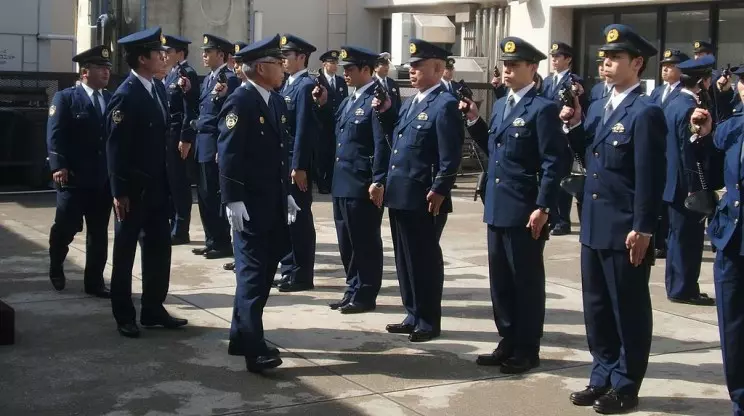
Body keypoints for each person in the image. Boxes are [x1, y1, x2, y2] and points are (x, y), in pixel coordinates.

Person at [561, 24, 666, 413]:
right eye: (604, 58)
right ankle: (601, 374)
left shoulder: (645, 112)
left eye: (615, 58)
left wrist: (644, 228)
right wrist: (572, 125)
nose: (605, 63)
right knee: (597, 307)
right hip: (594, 223)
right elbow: (590, 154)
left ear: (637, 63)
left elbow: (649, 177)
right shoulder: (603, 104)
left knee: (628, 308)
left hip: (625, 228)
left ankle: (625, 384)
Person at [462, 37, 564, 374]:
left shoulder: (543, 108)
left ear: (532, 69)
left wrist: (544, 205)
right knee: (501, 282)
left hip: (524, 208)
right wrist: (476, 122)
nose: (507, 69)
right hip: (498, 205)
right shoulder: (504, 103)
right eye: (505, 64)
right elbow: (497, 148)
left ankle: (526, 348)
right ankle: (507, 339)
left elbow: (553, 161)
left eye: (515, 64)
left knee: (526, 283)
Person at [218, 34, 299, 373]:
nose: (283, 68)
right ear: (261, 68)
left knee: (264, 274)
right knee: (252, 278)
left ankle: (241, 336)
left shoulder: (275, 101)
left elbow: (279, 156)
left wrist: (287, 194)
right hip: (249, 205)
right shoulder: (241, 102)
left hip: (272, 203)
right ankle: (255, 349)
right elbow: (229, 156)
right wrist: (232, 200)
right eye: (278, 63)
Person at [375, 38, 463, 342]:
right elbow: (399, 145)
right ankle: (412, 312)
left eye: (418, 66)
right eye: (410, 67)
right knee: (404, 258)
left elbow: (450, 154)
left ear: (438, 68)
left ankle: (428, 319)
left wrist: (440, 187)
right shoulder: (413, 101)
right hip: (401, 193)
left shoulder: (445, 104)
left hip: (425, 196)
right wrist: (387, 114)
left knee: (424, 260)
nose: (411, 72)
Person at [106, 27, 188, 338]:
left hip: (157, 188)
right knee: (125, 253)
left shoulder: (157, 89)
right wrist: (119, 191)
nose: (164, 58)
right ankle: (124, 314)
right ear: (142, 59)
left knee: (158, 250)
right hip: (134, 191)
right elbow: (115, 147)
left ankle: (153, 308)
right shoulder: (126, 95)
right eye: (158, 54)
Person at [321, 46, 390, 314]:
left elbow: (382, 143)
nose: (345, 73)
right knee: (346, 241)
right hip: (343, 181)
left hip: (362, 183)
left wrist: (379, 180)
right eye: (344, 68)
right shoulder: (351, 99)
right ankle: (352, 289)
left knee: (365, 241)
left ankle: (366, 293)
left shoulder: (376, 99)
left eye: (351, 69)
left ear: (366, 70)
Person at [692, 67, 744, 416]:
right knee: (734, 330)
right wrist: (701, 136)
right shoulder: (733, 127)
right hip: (732, 239)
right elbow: (708, 173)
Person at [46, 45, 113, 298]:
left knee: (98, 234)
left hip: (101, 179)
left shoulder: (109, 98)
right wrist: (58, 165)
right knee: (67, 227)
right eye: (100, 67)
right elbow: (55, 134)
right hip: (73, 178)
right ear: (85, 72)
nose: (106, 72)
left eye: (107, 68)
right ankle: (56, 264)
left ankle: (94, 283)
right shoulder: (66, 98)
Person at [660, 55, 717, 306]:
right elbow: (688, 151)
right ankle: (684, 289)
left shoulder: (673, 103)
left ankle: (677, 286)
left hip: (673, 182)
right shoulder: (688, 109)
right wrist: (696, 188)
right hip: (686, 184)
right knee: (688, 240)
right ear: (703, 82)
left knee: (676, 238)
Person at [275, 34, 320, 292]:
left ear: (301, 58)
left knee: (299, 219)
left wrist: (300, 166)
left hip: (295, 165)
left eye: (287, 56)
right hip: (284, 162)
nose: (282, 61)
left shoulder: (304, 86)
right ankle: (289, 268)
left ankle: (302, 274)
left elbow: (303, 129)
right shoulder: (287, 84)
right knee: (287, 219)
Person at [192, 34, 241, 260]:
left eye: (208, 51)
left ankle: (222, 242)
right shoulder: (210, 78)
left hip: (214, 144)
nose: (204, 55)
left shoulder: (228, 78)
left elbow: (226, 115)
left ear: (221, 55)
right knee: (204, 196)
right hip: (203, 143)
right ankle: (211, 239)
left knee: (214, 194)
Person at [649, 48, 689, 260]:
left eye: (670, 66)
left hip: (671, 153)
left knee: (669, 201)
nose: (665, 69)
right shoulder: (657, 92)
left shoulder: (683, 92)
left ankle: (664, 241)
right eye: (664, 66)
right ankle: (657, 239)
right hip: (657, 151)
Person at [542, 41, 582, 236]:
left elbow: (579, 106)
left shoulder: (574, 82)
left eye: (558, 57)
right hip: (549, 135)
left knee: (563, 179)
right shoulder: (548, 81)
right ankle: (552, 216)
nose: (554, 60)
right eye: (553, 56)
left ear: (568, 59)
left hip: (565, 135)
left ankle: (563, 220)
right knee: (549, 176)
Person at [163, 35, 199, 246]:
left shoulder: (188, 73)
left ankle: (181, 229)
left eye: (169, 52)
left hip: (179, 136)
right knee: (170, 182)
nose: (165, 55)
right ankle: (173, 224)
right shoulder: (171, 75)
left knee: (179, 183)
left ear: (180, 54)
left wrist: (186, 137)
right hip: (169, 135)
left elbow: (189, 108)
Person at [315, 50, 348, 194]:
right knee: (322, 154)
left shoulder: (341, 81)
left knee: (334, 154)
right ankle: (322, 183)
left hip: (337, 123)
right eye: (332, 63)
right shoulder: (318, 80)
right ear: (324, 64)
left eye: (336, 63)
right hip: (322, 124)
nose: (335, 66)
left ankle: (331, 181)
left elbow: (345, 101)